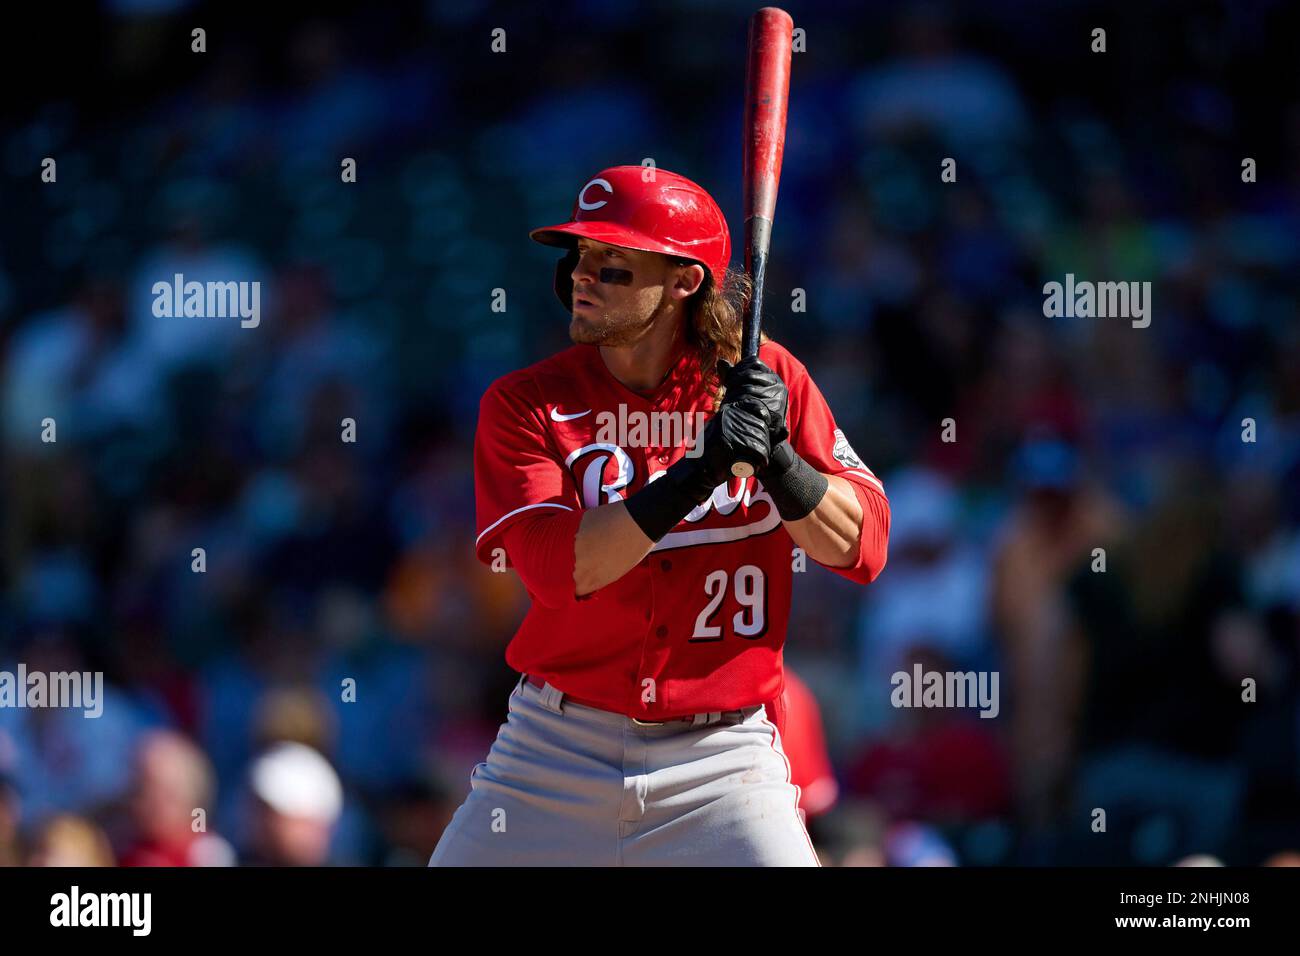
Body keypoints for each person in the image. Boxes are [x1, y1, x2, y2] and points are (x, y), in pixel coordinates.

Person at [429, 166, 890, 866]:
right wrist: (701, 469)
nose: (584, 278)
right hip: (554, 750)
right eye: (579, 259)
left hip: (724, 759)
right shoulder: (528, 404)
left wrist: (783, 464)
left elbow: (864, 548)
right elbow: (560, 570)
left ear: (684, 282)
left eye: (612, 266)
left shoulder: (769, 381)